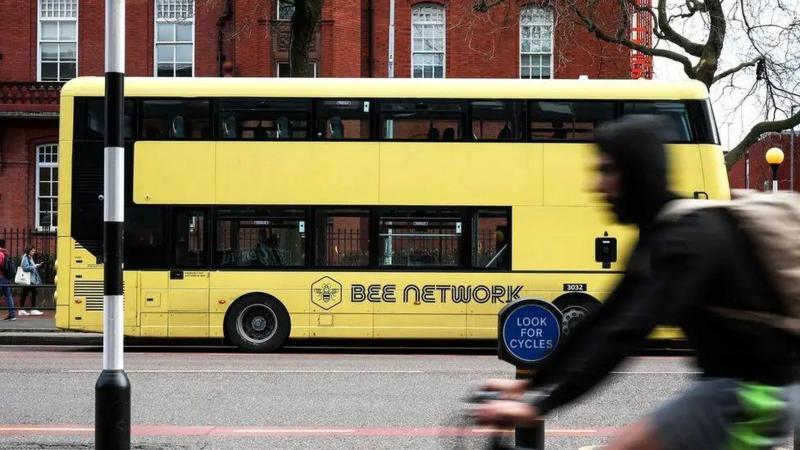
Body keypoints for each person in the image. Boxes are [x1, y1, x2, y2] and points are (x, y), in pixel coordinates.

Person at [475, 115, 799, 449]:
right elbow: (600, 321)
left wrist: (540, 405)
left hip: (754, 396)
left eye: (607, 171)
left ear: (635, 174)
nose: (597, 185)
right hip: (731, 388)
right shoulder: (660, 234)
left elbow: (625, 334)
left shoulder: (686, 241)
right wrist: (528, 387)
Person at [18, 247, 43, 316]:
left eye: (34, 251)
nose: (33, 252)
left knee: (25, 293)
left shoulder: (29, 257)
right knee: (33, 292)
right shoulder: (25, 258)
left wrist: (36, 266)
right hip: (28, 279)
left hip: (30, 279)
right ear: (28, 251)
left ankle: (22, 310)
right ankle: (32, 309)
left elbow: (31, 267)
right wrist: (34, 266)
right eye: (32, 251)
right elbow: (25, 268)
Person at [0, 239, 16, 321]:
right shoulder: (6, 253)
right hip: (6, 277)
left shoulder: (0, 253)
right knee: (8, 295)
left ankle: (12, 314)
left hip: (1, 277)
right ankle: (12, 314)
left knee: (8, 295)